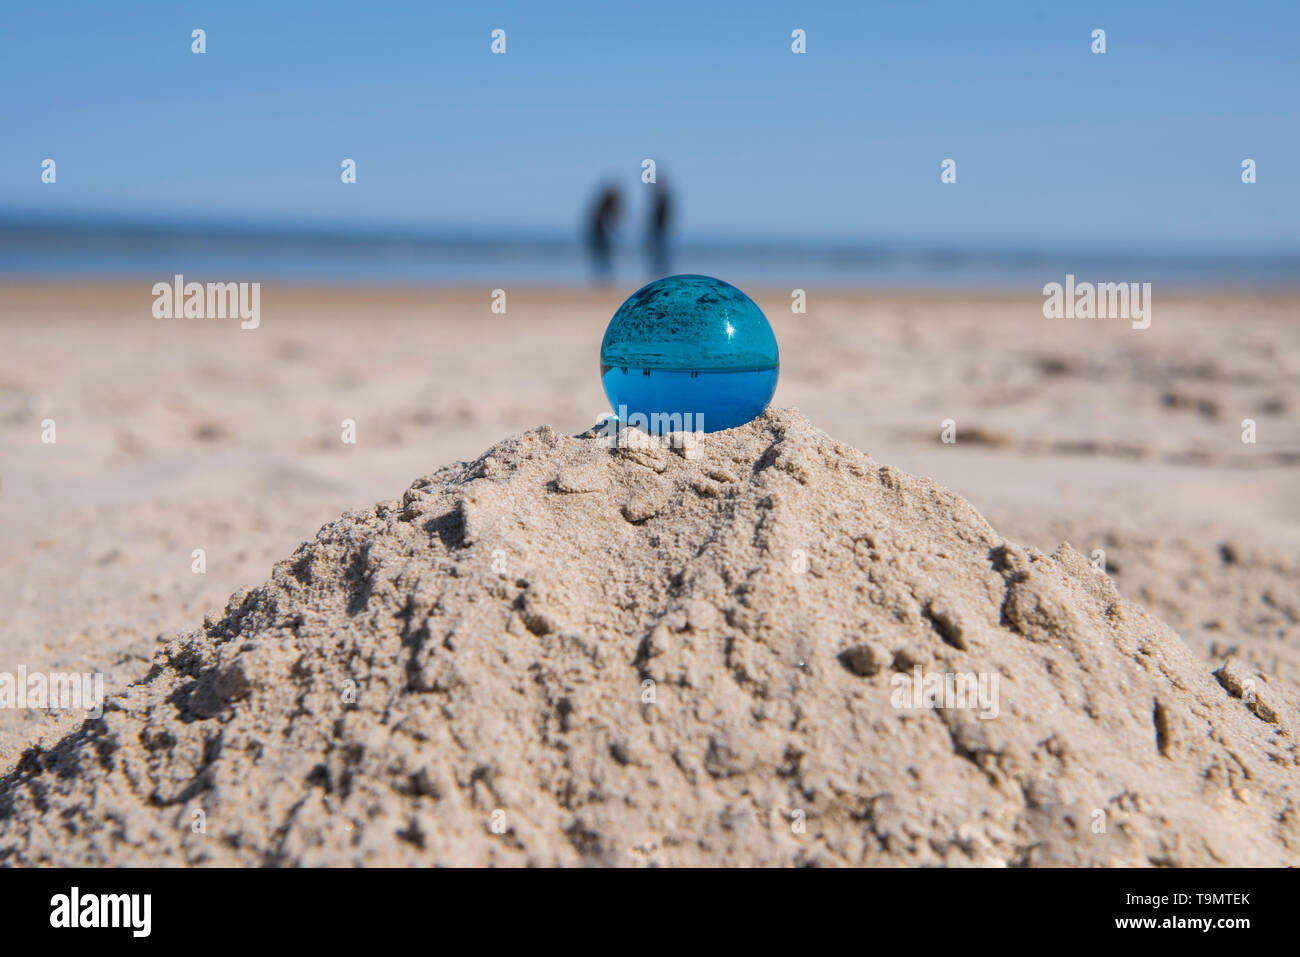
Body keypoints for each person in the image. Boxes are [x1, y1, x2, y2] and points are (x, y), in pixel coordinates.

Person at [586, 184, 622, 283]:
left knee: (602, 257)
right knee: (603, 257)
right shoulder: (604, 208)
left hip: (600, 235)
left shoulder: (602, 207)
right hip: (600, 236)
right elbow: (607, 223)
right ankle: (604, 278)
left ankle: (603, 278)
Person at [647, 177, 672, 277]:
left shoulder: (663, 199)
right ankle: (658, 273)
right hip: (658, 232)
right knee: (657, 255)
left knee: (661, 255)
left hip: (660, 232)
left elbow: (665, 216)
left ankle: (662, 273)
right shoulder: (660, 199)